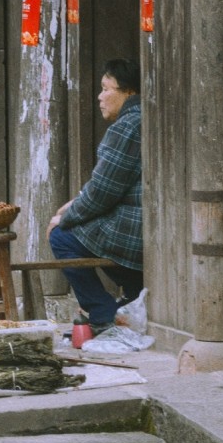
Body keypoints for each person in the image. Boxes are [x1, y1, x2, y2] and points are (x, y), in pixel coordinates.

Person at [46, 58, 143, 336]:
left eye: (106, 89)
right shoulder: (139, 120)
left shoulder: (127, 127)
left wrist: (64, 218)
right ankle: (132, 297)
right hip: (140, 224)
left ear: (129, 93)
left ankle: (102, 313)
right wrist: (72, 204)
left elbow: (101, 193)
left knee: (61, 237)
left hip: (134, 231)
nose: (100, 97)